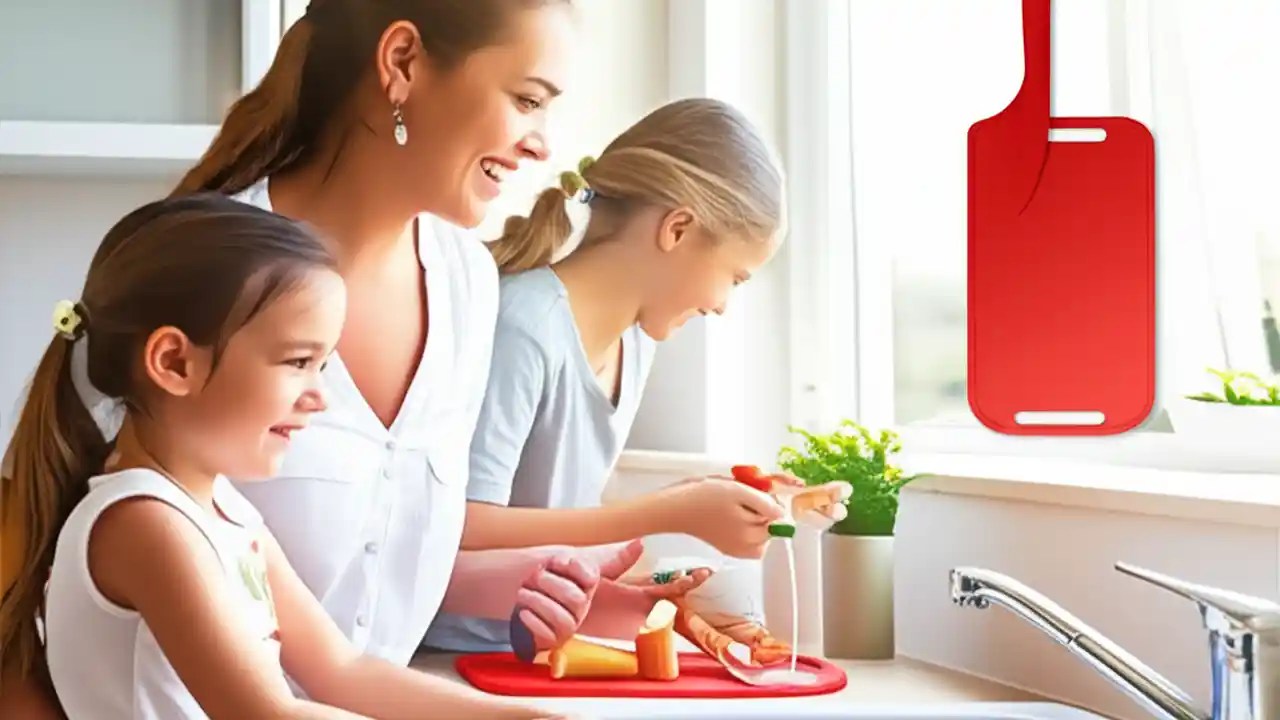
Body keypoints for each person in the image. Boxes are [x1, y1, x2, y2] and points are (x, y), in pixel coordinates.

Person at [0, 194, 585, 719]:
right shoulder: (146, 524)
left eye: (323, 365)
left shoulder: (223, 511)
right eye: (298, 362)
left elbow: (342, 670)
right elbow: (267, 713)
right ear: (175, 363)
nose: (319, 396)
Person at [423, 98, 852, 653]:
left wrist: (670, 557)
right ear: (678, 228)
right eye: (735, 277)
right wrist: (674, 510)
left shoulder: (636, 343)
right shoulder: (524, 327)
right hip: (452, 656)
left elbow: (555, 527)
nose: (722, 305)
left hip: (530, 650)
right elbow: (464, 525)